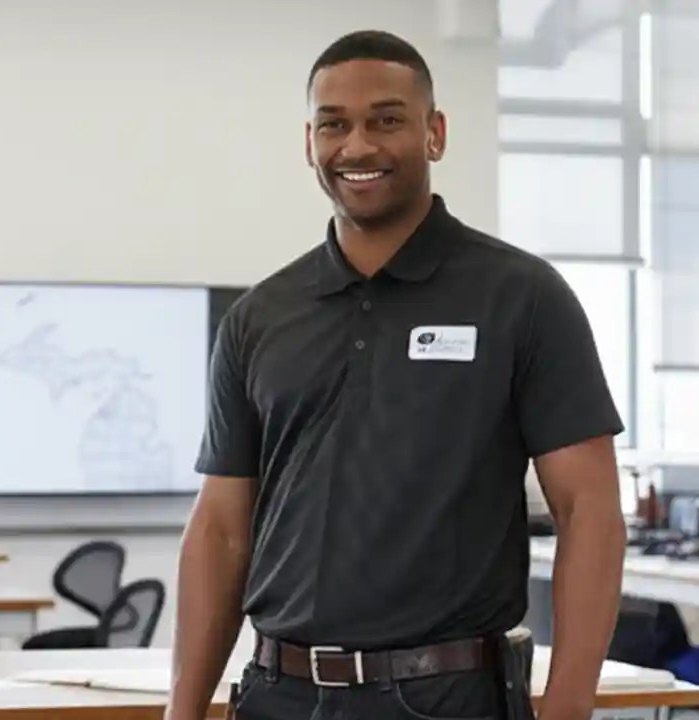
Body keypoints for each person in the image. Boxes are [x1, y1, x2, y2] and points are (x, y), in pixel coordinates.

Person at [165, 30, 627, 720]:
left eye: (386, 120)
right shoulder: (259, 317)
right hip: (275, 694)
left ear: (434, 133)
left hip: (444, 696)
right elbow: (221, 530)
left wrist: (566, 711)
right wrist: (182, 709)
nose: (357, 147)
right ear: (310, 143)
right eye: (334, 125)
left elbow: (589, 514)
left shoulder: (522, 297)